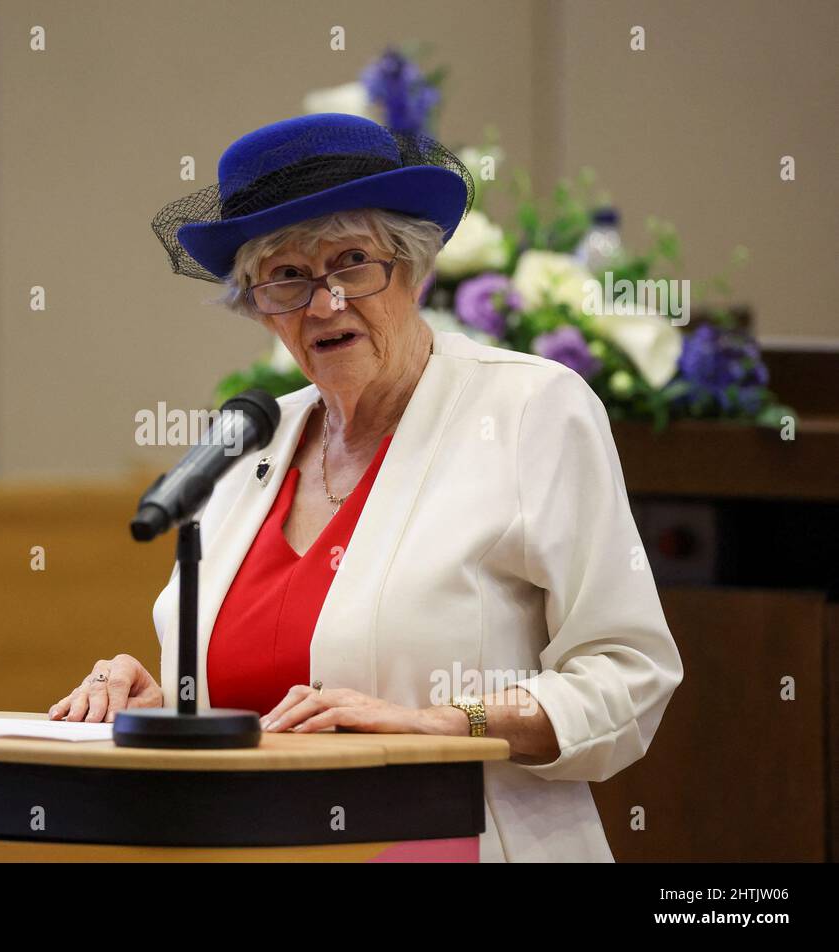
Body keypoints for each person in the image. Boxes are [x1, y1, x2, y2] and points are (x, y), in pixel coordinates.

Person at [50, 113, 683, 862]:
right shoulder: (249, 443)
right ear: (258, 305)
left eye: (351, 262)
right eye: (286, 276)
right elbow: (262, 711)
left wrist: (451, 723)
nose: (324, 304)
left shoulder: (529, 409)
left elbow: (629, 675)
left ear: (412, 267)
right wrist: (159, 706)